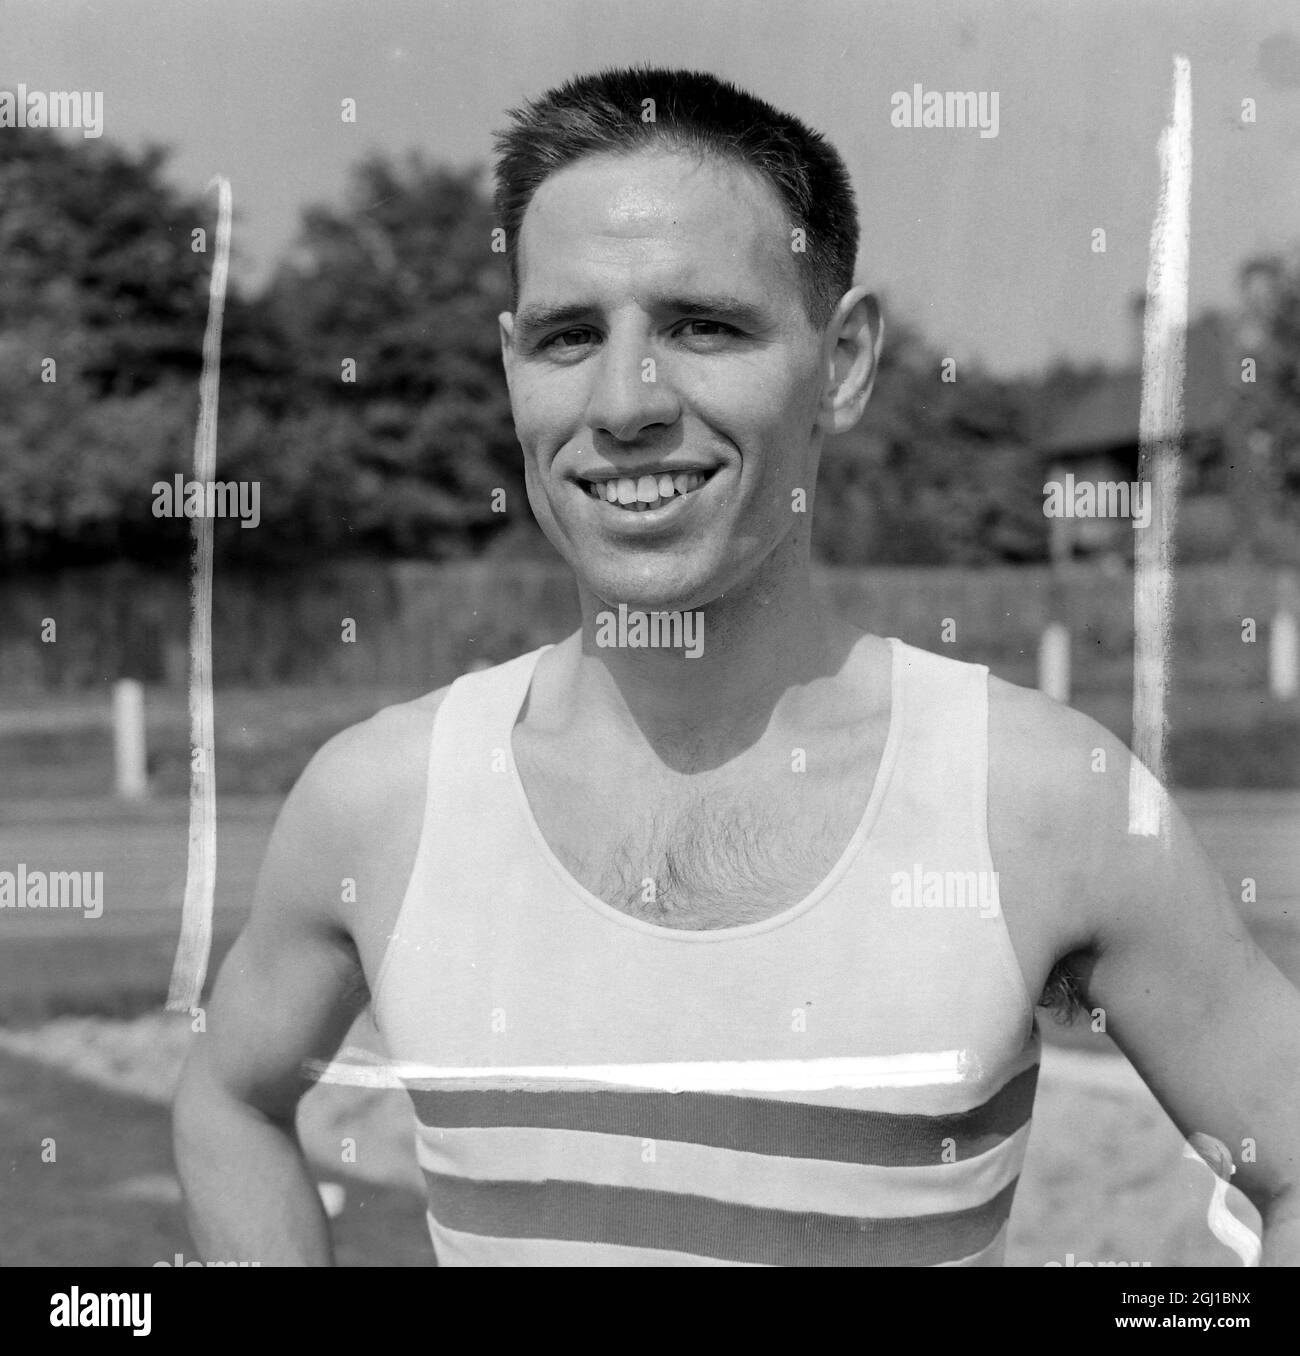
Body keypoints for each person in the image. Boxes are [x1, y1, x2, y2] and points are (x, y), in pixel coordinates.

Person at [173, 66, 1300, 1267]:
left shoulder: (1046, 801)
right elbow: (228, 1101)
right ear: (512, 369)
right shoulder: (374, 805)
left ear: (846, 360)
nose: (626, 403)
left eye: (702, 326)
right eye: (568, 335)